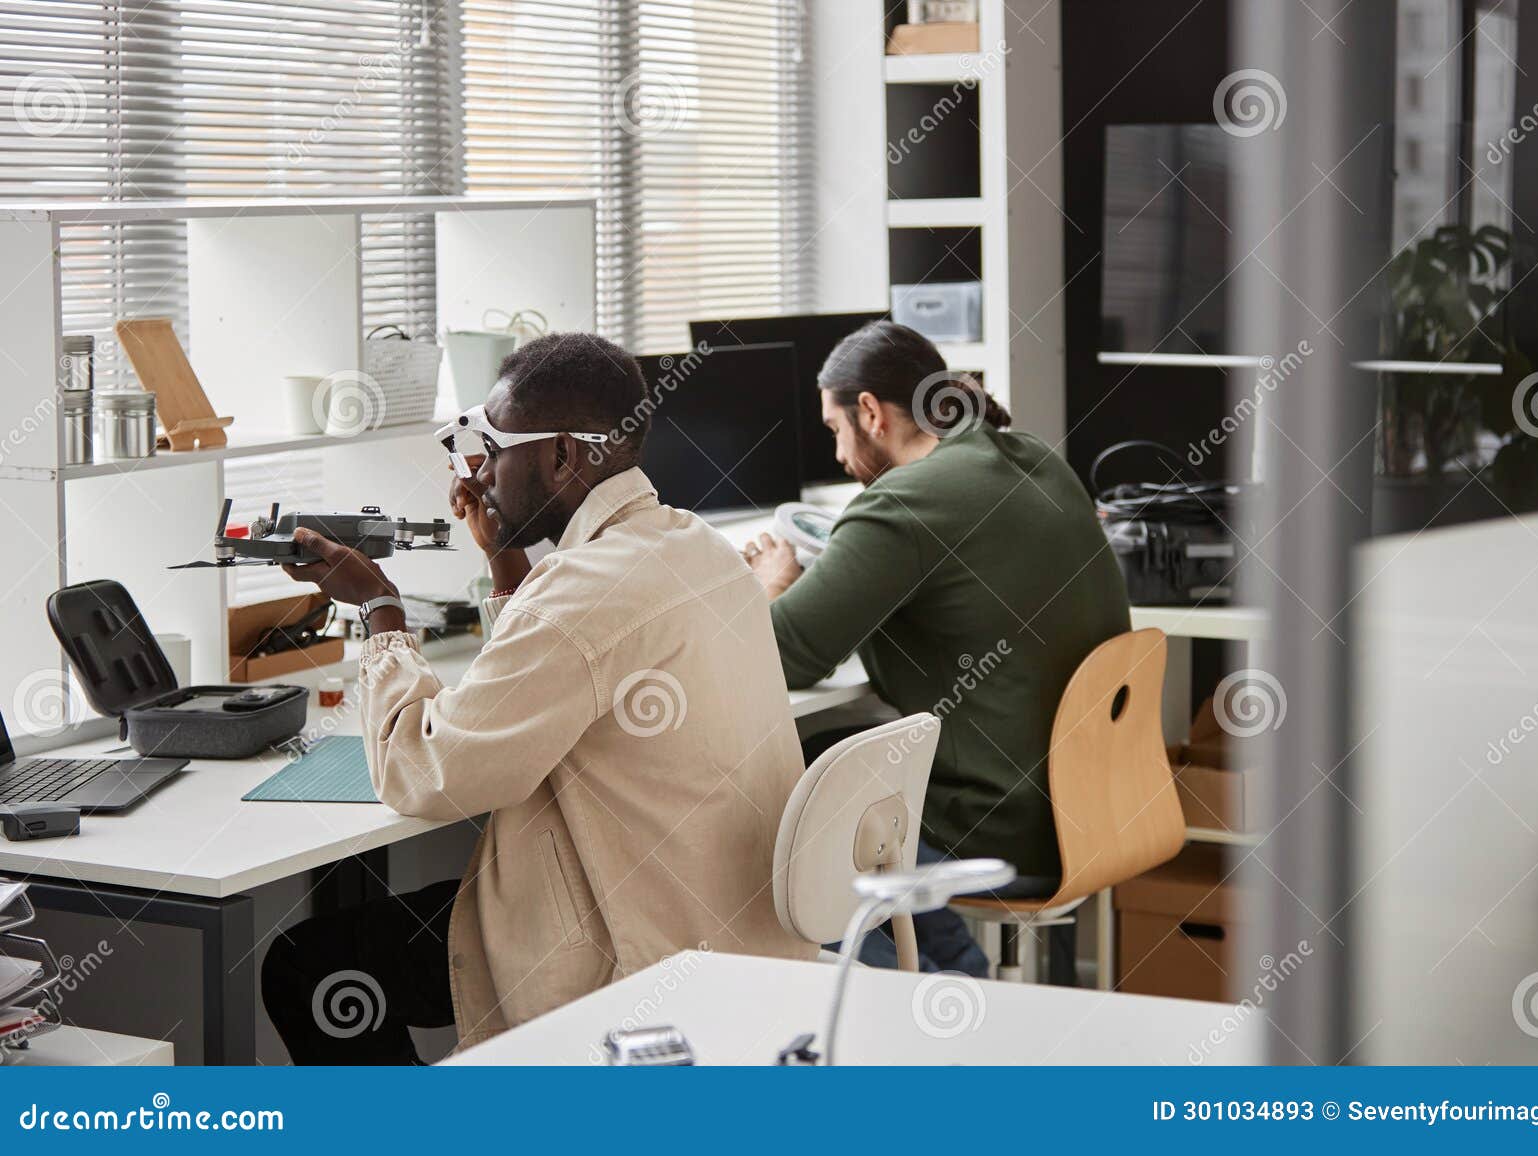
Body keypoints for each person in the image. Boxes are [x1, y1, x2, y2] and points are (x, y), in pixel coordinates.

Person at [262, 333, 815, 1064]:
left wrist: (381, 612)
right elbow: (553, 676)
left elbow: (423, 774)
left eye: (491, 443)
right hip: (738, 941)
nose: (476, 469)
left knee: (310, 965)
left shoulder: (585, 589)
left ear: (562, 455)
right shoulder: (693, 545)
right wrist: (504, 559)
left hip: (637, 964)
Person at [744, 321, 1131, 981]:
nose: (838, 456)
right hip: (1095, 800)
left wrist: (769, 589)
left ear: (870, 413)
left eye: (837, 429)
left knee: (778, 795)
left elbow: (786, 659)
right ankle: (950, 972)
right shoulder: (1029, 455)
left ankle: (942, 980)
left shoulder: (904, 506)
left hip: (1002, 821)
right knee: (836, 762)